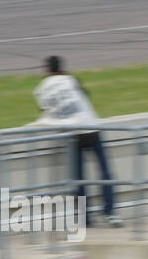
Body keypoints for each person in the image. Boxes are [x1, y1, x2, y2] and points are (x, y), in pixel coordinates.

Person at [33, 56, 123, 227]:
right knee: (105, 172)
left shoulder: (43, 88)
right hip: (90, 129)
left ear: (46, 70)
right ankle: (110, 212)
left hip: (73, 135)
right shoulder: (71, 80)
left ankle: (85, 217)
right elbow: (85, 96)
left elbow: (44, 108)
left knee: (78, 177)